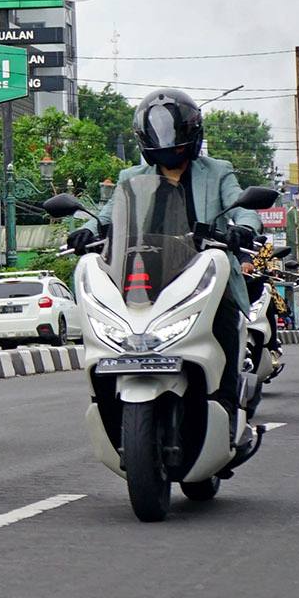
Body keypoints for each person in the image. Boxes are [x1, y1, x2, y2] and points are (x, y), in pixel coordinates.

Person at [73, 89, 261, 435]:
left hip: (205, 268)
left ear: (191, 137)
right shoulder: (131, 177)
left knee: (223, 327)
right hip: (149, 271)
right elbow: (106, 215)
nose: (170, 153)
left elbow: (241, 205)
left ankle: (229, 410)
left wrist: (245, 229)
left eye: (175, 146)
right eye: (161, 148)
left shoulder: (217, 171)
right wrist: (86, 231)